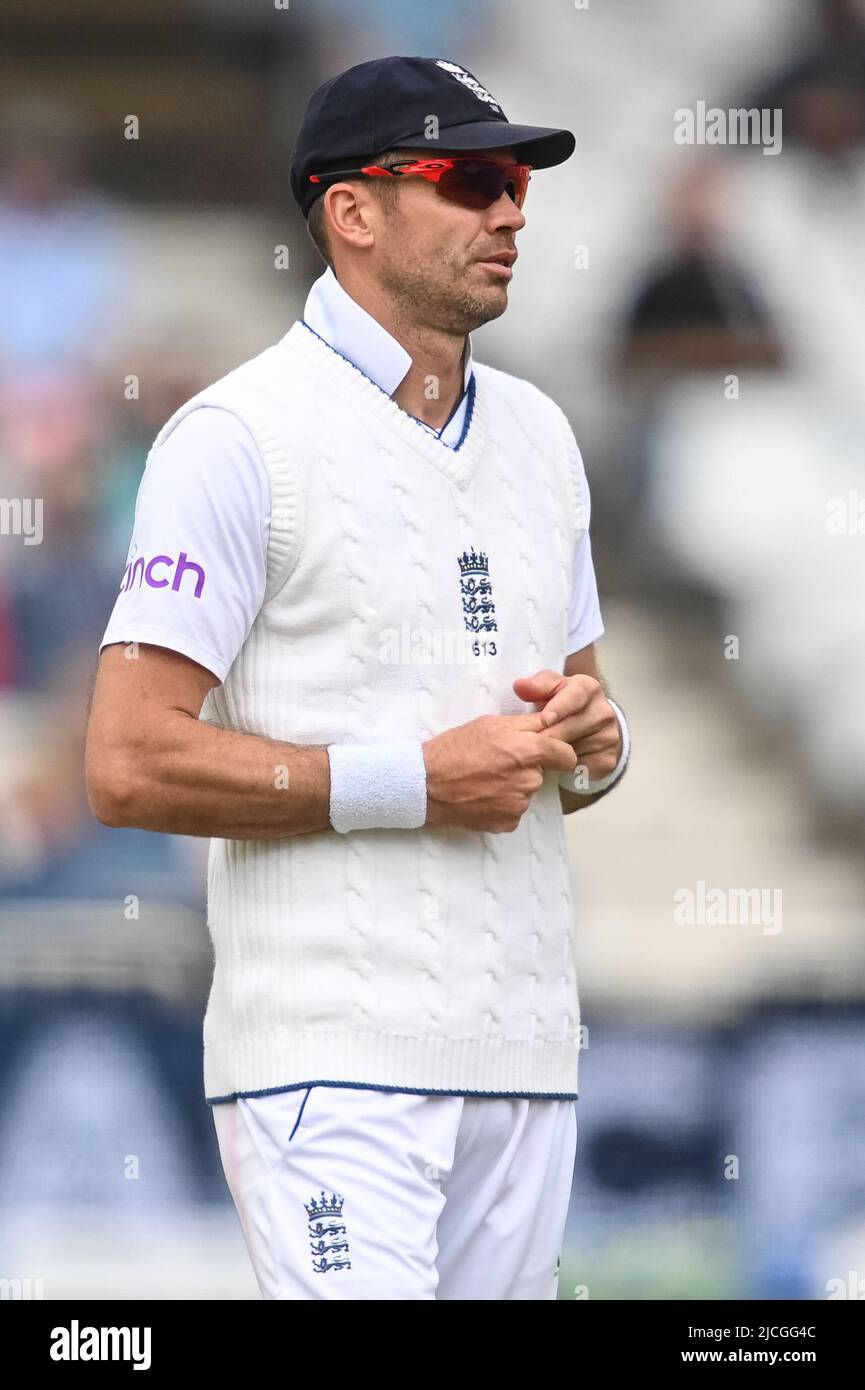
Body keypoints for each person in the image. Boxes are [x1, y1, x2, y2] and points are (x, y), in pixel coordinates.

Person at [85, 56, 631, 1300]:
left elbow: (583, 736)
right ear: (353, 209)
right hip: (328, 1064)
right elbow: (126, 760)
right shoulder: (234, 437)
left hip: (526, 1054)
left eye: (520, 185)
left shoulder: (542, 436)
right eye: (475, 179)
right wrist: (419, 782)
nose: (514, 212)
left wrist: (598, 744)